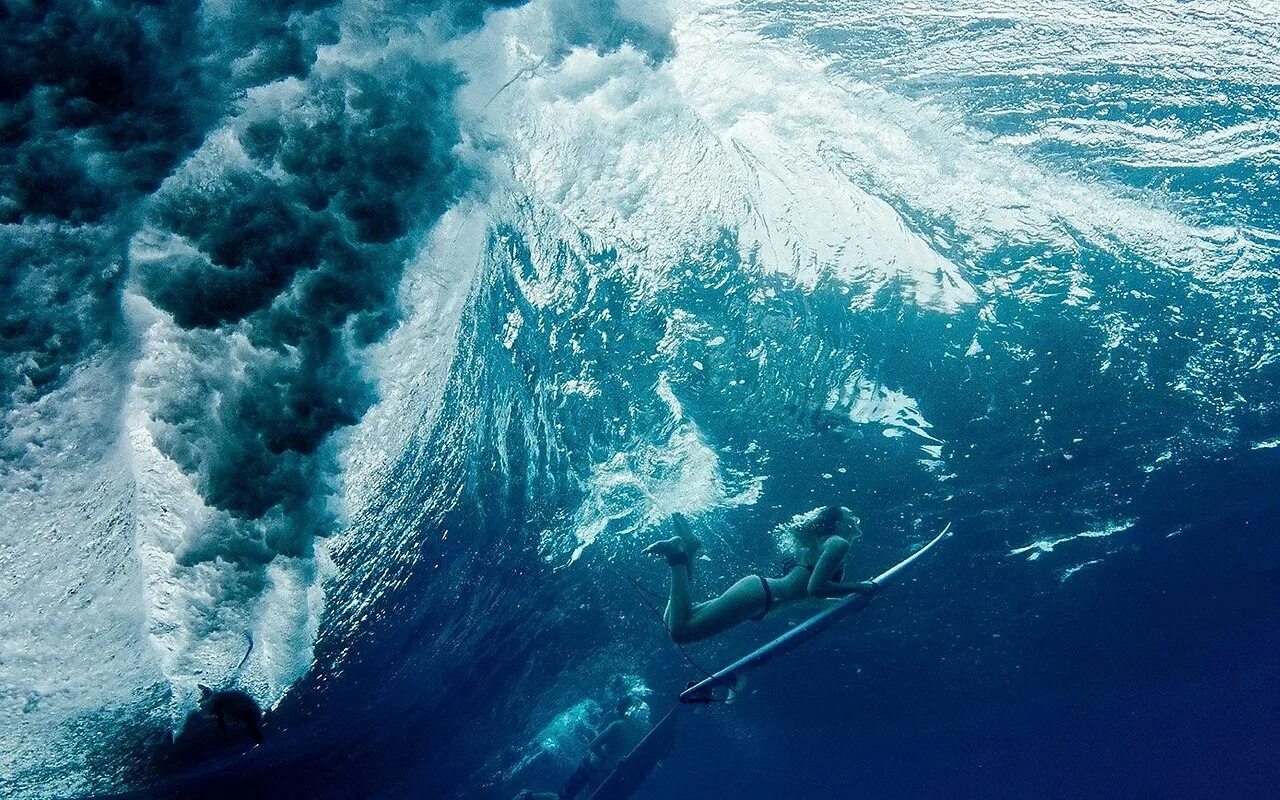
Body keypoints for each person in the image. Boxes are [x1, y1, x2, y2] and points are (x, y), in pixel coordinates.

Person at [643, 506, 877, 644]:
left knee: (675, 620)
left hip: (760, 595)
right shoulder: (837, 544)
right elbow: (815, 588)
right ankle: (676, 554)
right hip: (760, 596)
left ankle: (689, 550)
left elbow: (811, 598)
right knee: (681, 632)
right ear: (836, 523)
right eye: (849, 515)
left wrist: (845, 603)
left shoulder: (826, 544)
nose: (854, 518)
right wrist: (860, 587)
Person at [514, 694, 646, 800]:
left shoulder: (642, 729)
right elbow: (593, 745)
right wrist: (611, 759)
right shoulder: (618, 725)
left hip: (605, 773)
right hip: (589, 767)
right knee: (562, 798)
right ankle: (527, 796)